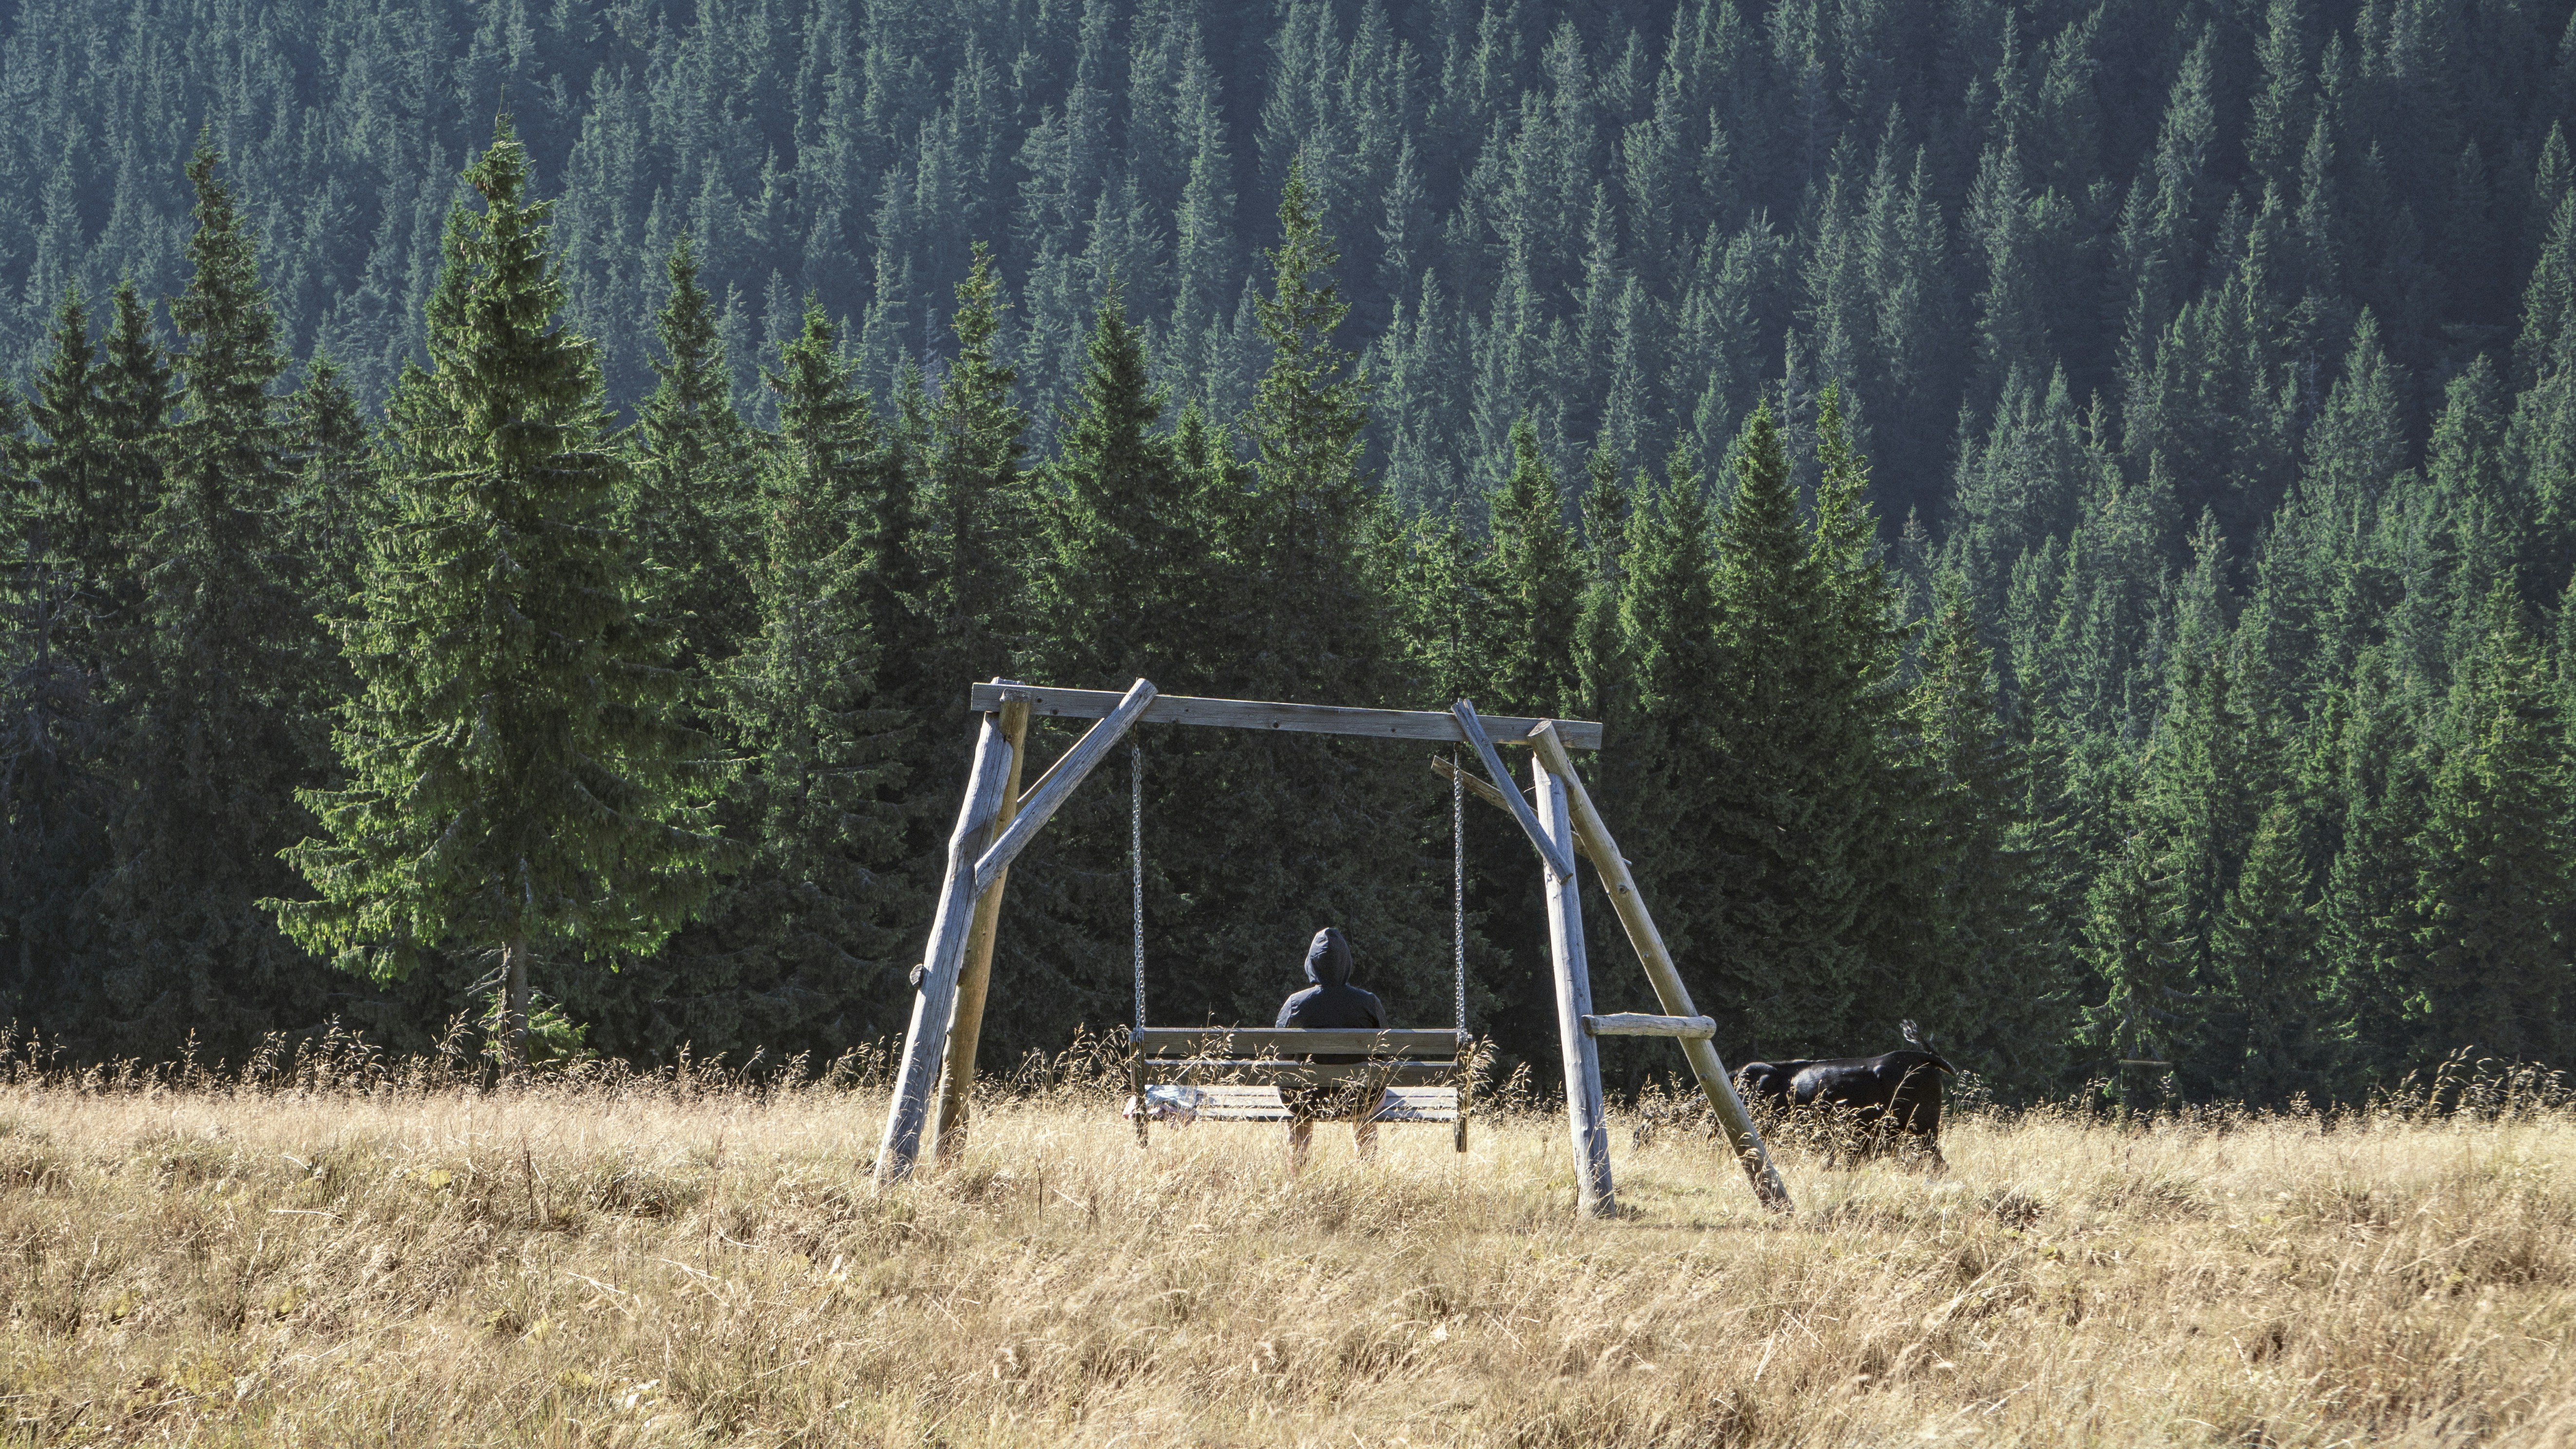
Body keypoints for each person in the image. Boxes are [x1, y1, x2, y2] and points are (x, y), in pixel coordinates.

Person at [1276, 926, 1387, 1168]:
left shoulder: (1296, 1003)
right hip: (1360, 1098)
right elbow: (1384, 1052)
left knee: (1293, 1087)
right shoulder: (1368, 1002)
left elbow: (1279, 1055)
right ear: (1346, 962)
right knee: (1369, 1088)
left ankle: (1298, 1170)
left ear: (1312, 963)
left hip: (1305, 1098)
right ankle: (1367, 1170)